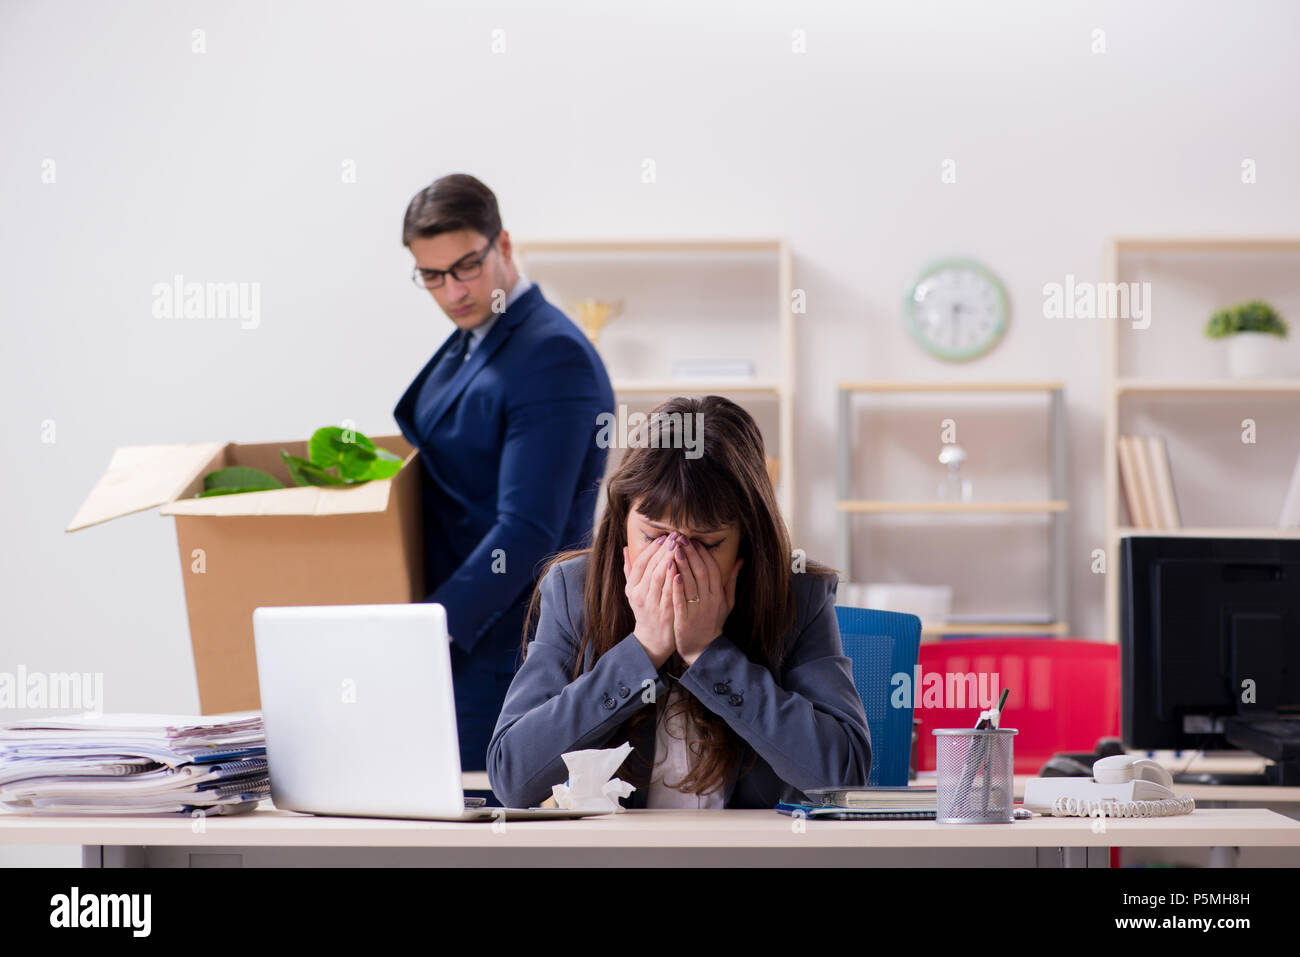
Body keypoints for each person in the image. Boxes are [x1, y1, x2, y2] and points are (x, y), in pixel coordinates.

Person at [487, 395, 871, 809]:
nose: (674, 562)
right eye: (653, 537)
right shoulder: (574, 590)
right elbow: (514, 776)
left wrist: (708, 653)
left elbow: (841, 779)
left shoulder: (798, 595)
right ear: (622, 520)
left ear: (748, 536)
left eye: (706, 543)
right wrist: (642, 651)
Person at [394, 173, 614, 772]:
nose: (452, 291)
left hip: (509, 652)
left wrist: (427, 629)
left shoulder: (550, 355)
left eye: (465, 266)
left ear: (505, 245)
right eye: (431, 276)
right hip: (460, 646)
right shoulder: (474, 340)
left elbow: (527, 532)